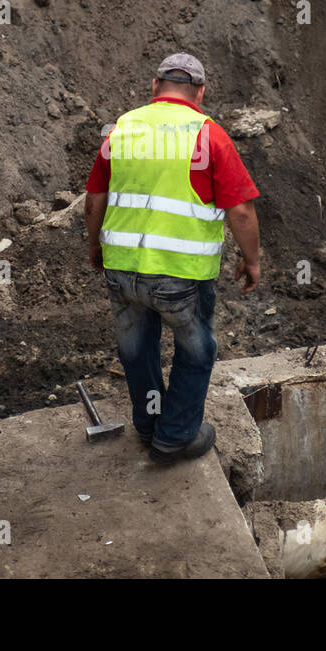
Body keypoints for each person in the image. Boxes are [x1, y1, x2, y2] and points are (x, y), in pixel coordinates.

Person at [84, 53, 261, 464]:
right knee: (196, 351)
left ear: (154, 87)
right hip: (180, 275)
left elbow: (95, 198)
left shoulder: (122, 129)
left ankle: (149, 424)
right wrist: (251, 260)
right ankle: (175, 436)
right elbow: (241, 211)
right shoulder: (209, 135)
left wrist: (95, 246)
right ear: (199, 93)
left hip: (122, 269)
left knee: (137, 350)